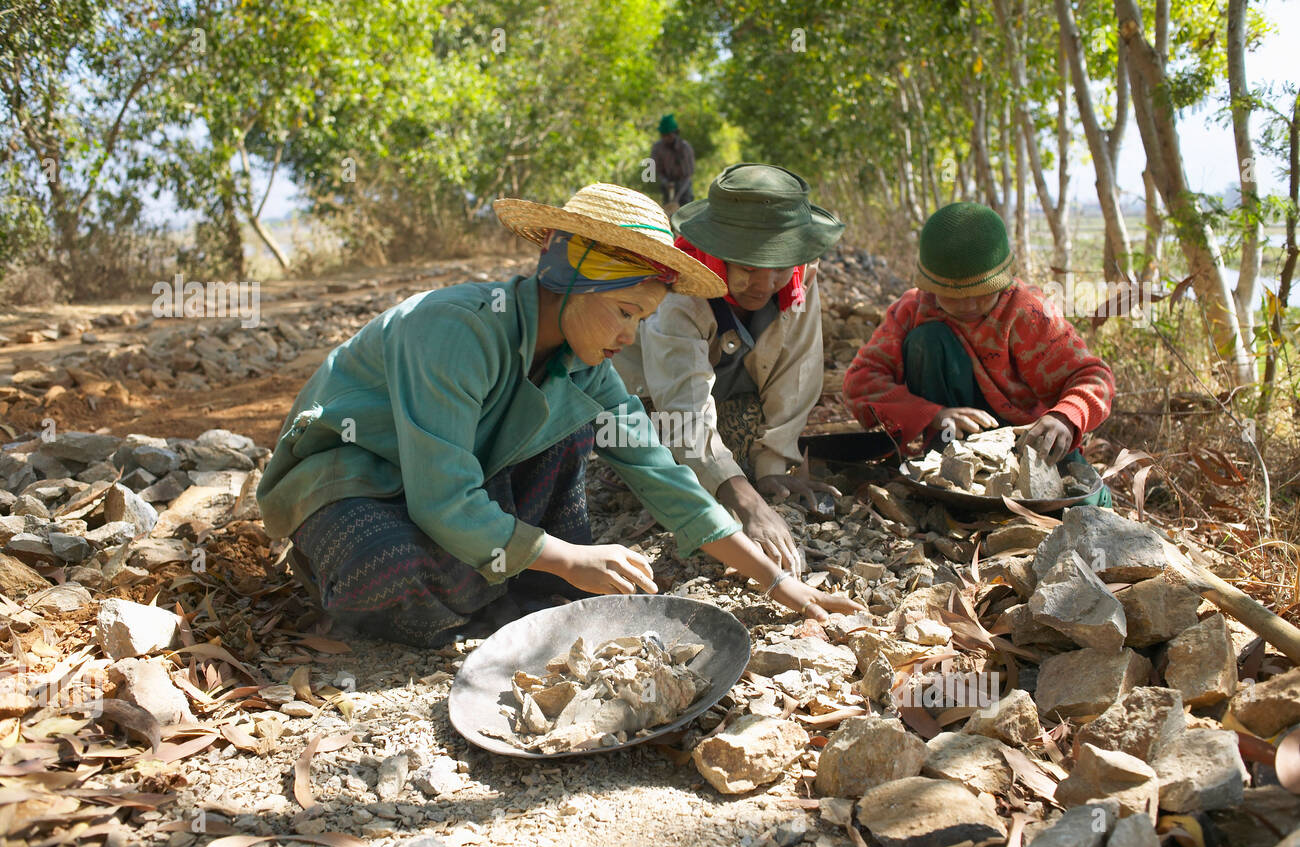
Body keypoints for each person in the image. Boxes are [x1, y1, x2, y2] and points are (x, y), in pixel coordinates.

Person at [256, 182, 860, 649]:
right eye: (624, 311)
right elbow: (441, 500)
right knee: (386, 570)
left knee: (571, 439)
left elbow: (659, 470)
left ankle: (498, 573)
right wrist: (569, 559)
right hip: (357, 483)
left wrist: (776, 581)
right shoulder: (452, 328)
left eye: (642, 320)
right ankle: (349, 566)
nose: (630, 336)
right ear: (570, 277)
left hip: (452, 485)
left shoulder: (585, 364)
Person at [614, 164, 845, 574]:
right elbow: (681, 408)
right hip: (656, 402)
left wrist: (774, 467)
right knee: (670, 467)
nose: (766, 282)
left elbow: (798, 369)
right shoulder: (677, 291)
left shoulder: (799, 274)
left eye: (779, 267)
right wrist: (747, 500)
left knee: (747, 439)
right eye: (750, 266)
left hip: (729, 388)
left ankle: (736, 472)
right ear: (719, 253)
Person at [841, 201, 1114, 506]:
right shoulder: (913, 309)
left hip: (1029, 439)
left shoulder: (1028, 311)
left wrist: (1066, 417)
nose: (968, 305)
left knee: (1085, 504)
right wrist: (932, 414)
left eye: (982, 293)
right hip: (951, 441)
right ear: (929, 284)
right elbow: (859, 382)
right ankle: (940, 463)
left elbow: (1093, 376)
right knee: (927, 339)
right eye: (954, 296)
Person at [650, 114, 695, 211]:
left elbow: (687, 176)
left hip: (684, 187)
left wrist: (676, 198)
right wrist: (666, 182)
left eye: (669, 135)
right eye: (664, 135)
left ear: (675, 133)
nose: (666, 138)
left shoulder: (685, 148)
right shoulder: (658, 148)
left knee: (686, 213)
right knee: (668, 213)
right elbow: (658, 170)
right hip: (667, 185)